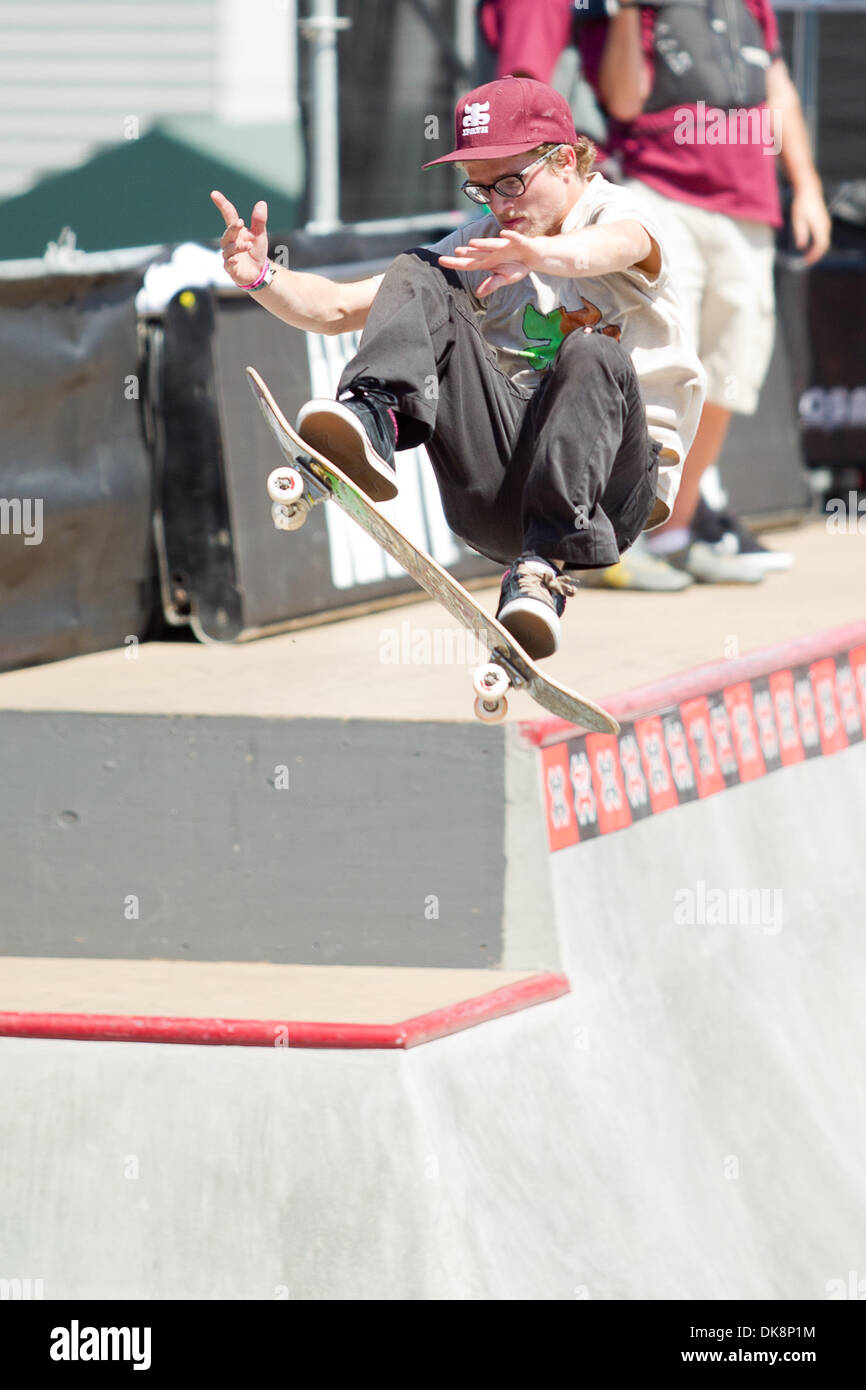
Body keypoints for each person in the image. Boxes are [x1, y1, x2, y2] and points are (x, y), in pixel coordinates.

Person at [212, 76, 705, 658]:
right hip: (495, 495)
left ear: (565, 161)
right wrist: (261, 275)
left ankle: (540, 577)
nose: (501, 207)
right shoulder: (485, 243)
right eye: (482, 190)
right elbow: (338, 309)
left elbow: (618, 245)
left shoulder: (616, 211)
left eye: (512, 183)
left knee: (591, 351)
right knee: (420, 272)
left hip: (605, 499)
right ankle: (375, 421)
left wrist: (539, 255)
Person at [481, 0, 831, 589]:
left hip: (751, 205)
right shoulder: (620, 11)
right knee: (650, 364)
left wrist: (809, 186)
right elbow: (622, 100)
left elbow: (779, 89)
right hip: (661, 193)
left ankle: (676, 529)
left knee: (727, 377)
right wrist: (625, 11)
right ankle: (610, 539)